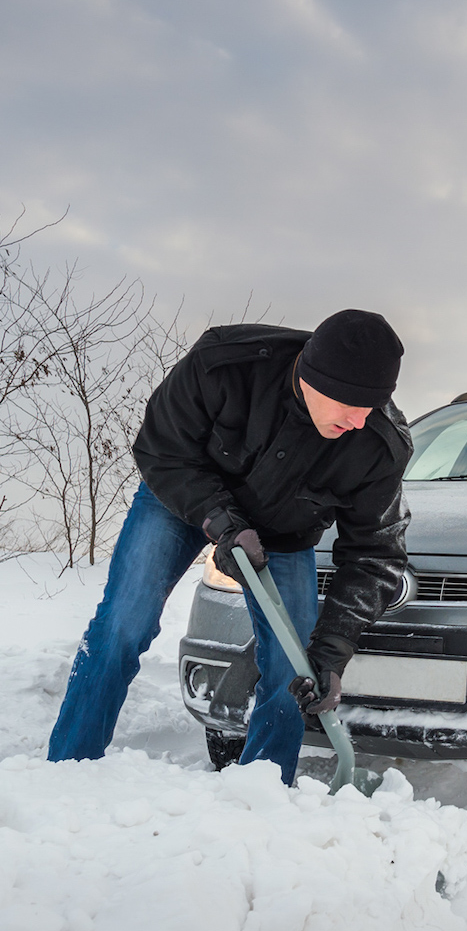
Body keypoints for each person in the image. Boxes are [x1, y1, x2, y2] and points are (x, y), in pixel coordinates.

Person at [46, 310, 411, 784]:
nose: (359, 421)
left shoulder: (379, 445)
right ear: (309, 374)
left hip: (282, 535)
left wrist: (332, 652)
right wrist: (221, 522)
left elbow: (375, 556)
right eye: (348, 403)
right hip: (179, 500)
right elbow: (160, 449)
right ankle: (66, 769)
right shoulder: (224, 364)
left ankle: (263, 792)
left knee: (292, 667)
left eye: (372, 406)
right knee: (123, 623)